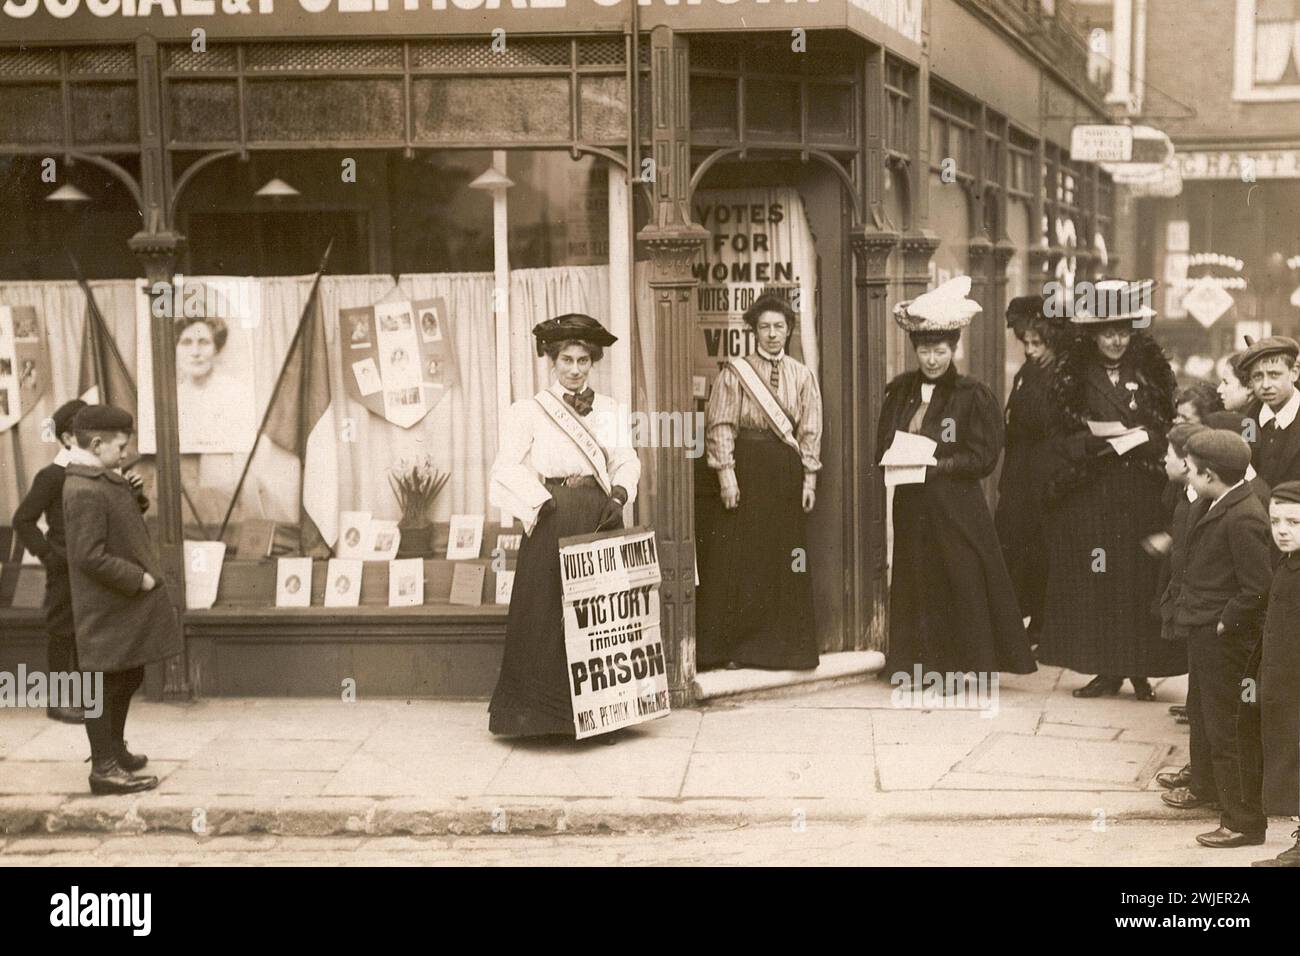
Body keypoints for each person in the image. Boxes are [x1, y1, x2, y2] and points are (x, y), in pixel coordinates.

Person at [875, 277, 1035, 681]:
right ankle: (919, 666)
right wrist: (895, 458)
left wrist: (938, 464)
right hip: (912, 506)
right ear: (915, 350)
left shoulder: (971, 395)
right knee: (917, 580)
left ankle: (964, 667)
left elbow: (983, 456)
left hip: (956, 507)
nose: (932, 359)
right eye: (925, 350)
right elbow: (882, 445)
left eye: (940, 350)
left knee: (959, 580)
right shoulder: (900, 392)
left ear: (954, 350)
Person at [487, 313, 640, 738]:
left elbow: (625, 459)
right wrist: (539, 501)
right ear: (552, 362)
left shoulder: (608, 409)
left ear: (593, 362)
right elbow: (505, 468)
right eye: (566, 361)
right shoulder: (530, 411)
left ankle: (602, 717)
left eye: (583, 361)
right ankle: (541, 719)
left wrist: (620, 495)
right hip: (552, 513)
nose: (575, 370)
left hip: (597, 512)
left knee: (597, 613)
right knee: (547, 610)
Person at [1038, 279, 1184, 699]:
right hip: (1093, 492)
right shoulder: (1074, 374)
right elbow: (1057, 436)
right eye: (1108, 331)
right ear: (1092, 334)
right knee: (1099, 580)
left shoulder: (1152, 372)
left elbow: (1166, 430)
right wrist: (1093, 443)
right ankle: (1107, 669)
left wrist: (1144, 438)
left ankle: (1140, 668)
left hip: (1140, 491)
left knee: (1139, 579)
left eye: (1123, 330)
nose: (1117, 340)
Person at [697, 294, 822, 671]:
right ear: (753, 330)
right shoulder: (735, 373)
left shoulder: (802, 375)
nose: (772, 334)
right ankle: (737, 648)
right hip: (745, 471)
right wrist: (726, 474)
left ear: (788, 330)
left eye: (779, 327)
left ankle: (781, 649)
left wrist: (810, 479)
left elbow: (810, 429)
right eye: (765, 327)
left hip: (785, 474)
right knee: (741, 559)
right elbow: (720, 423)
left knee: (785, 560)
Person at [63, 406, 183, 795]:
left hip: (117, 605)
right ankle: (104, 768)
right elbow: (88, 555)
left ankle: (114, 749)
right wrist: (138, 579)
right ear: (96, 444)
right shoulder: (83, 486)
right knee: (100, 682)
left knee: (127, 674)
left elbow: (118, 525)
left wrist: (135, 499)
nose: (125, 452)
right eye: (121, 445)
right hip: (107, 604)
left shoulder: (99, 478)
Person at [1172, 429, 1271, 848]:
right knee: (1209, 719)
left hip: (1224, 641)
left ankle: (1243, 821)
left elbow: (1256, 587)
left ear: (1210, 474)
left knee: (1229, 728)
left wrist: (1223, 623)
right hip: (1205, 628)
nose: (1187, 477)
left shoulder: (1244, 514)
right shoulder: (1221, 502)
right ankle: (1221, 800)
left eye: (1191, 471)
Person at [996, 294, 1070, 641]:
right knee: (1019, 548)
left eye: (1037, 343)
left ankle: (1044, 625)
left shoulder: (1059, 377)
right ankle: (1030, 622)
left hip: (1045, 478)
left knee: (1043, 553)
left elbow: (1042, 421)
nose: (1029, 349)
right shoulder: (1029, 372)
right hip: (1020, 477)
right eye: (1026, 342)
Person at [12, 399, 87, 723]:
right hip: (63, 570)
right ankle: (59, 701)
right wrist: (49, 555)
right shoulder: (52, 475)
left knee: (84, 632)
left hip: (88, 569)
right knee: (62, 632)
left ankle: (85, 698)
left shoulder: (89, 472)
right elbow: (23, 519)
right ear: (68, 438)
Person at [1252, 480, 1300, 866]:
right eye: (1276, 521)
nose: (1283, 530)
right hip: (1284, 683)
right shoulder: (1288, 564)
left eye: (1295, 522)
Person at [174, 314, 252, 452]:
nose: (195, 352)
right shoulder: (174, 397)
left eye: (204, 342)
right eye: (186, 342)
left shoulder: (236, 394)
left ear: (217, 348)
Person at [1238, 336, 1300, 489]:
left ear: (1294, 373)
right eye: (1258, 376)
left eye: (1274, 375)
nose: (1266, 385)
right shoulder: (1248, 419)